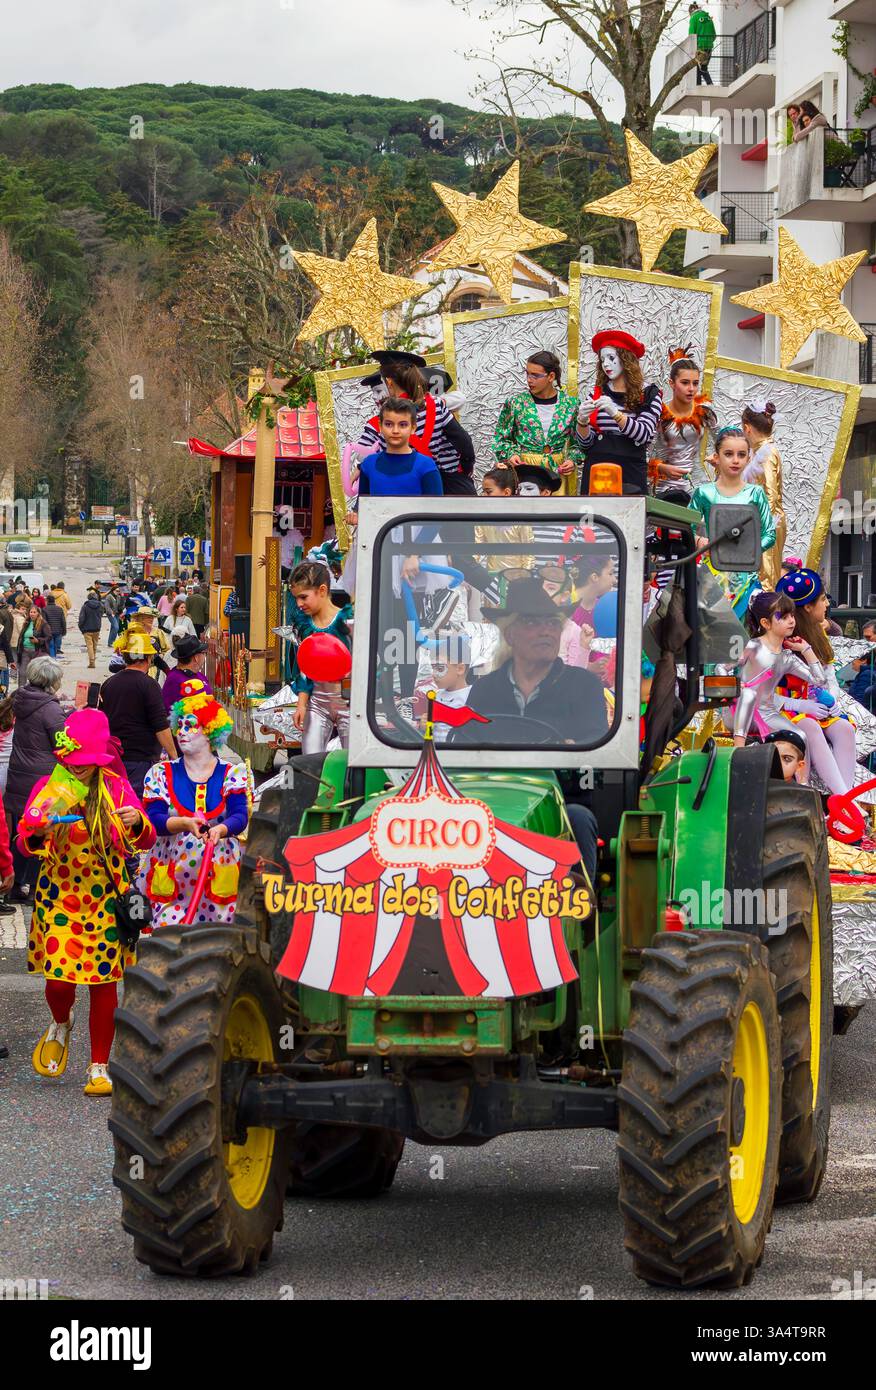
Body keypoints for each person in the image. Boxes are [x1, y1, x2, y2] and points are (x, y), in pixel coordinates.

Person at [21, 708, 155, 1097]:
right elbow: (24, 840)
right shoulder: (49, 786)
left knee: (104, 984)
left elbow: (145, 838)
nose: (77, 771)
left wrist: (137, 821)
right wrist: (37, 829)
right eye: (73, 763)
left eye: (85, 765)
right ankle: (61, 1021)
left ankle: (99, 1066)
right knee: (58, 981)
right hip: (59, 895)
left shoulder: (116, 787)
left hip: (104, 895)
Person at [468, 578, 607, 879]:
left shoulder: (584, 685)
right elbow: (464, 745)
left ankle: (581, 913)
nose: (546, 630)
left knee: (579, 818)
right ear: (510, 633)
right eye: (533, 622)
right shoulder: (484, 691)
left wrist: (573, 752)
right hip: (490, 799)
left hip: (562, 800)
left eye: (552, 623)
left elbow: (597, 751)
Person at [138, 679, 247, 927]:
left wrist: (220, 829)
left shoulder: (231, 773)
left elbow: (240, 816)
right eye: (180, 725)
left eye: (191, 725)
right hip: (172, 880)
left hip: (218, 879)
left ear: (210, 731)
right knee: (167, 942)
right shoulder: (160, 773)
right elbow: (154, 819)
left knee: (218, 942)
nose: (182, 731)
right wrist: (185, 823)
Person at [774, 567, 858, 792]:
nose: (827, 604)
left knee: (844, 728)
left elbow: (828, 677)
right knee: (809, 726)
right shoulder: (776, 641)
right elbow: (760, 692)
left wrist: (832, 701)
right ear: (808, 607)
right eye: (823, 599)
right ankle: (842, 798)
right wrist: (799, 704)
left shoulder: (819, 635)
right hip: (778, 708)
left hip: (814, 706)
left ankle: (844, 800)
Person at [354, 349, 476, 496]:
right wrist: (465, 470)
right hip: (453, 487)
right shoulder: (436, 405)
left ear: (389, 382)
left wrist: (360, 467)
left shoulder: (378, 424)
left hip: (409, 491)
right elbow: (464, 442)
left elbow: (364, 458)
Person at [690, 425, 775, 619]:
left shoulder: (755, 493)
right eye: (729, 454)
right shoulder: (704, 493)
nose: (735, 460)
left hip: (746, 578)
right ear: (717, 457)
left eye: (741, 454)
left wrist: (748, 550)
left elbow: (769, 533)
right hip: (712, 575)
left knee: (742, 634)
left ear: (749, 458)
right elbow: (686, 527)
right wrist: (700, 542)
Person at [4, 656, 66, 903]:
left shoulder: (20, 697)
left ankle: (16, 884)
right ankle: (34, 885)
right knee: (40, 830)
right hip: (41, 778)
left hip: (18, 772)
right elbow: (61, 743)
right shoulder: (50, 708)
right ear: (52, 681)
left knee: (19, 828)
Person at [574, 330, 663, 496]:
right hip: (597, 470)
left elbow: (643, 435)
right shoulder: (597, 393)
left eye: (611, 358)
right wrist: (582, 421)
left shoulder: (649, 394)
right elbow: (585, 444)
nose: (605, 364)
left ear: (626, 359)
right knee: (594, 520)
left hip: (629, 471)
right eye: (602, 360)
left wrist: (615, 413)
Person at [492, 350, 587, 497]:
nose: (529, 380)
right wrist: (511, 455)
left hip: (557, 476)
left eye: (535, 375)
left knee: (555, 516)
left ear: (551, 376)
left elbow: (578, 443)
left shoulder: (571, 405)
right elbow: (501, 439)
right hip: (525, 473)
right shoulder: (516, 404)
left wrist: (572, 460)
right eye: (527, 374)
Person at [99, 628, 177, 797]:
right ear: (148, 659)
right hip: (140, 761)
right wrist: (173, 755)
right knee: (137, 809)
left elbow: (102, 721)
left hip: (113, 759)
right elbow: (160, 725)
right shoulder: (149, 685)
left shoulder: (109, 683)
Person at [288, 560, 353, 754]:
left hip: (349, 702)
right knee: (310, 761)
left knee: (353, 763)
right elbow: (305, 670)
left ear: (322, 590)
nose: (299, 604)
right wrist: (301, 704)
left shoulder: (348, 621)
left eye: (303, 597)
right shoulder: (304, 626)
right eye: (296, 598)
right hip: (317, 703)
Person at [649, 349, 716, 504]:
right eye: (685, 383)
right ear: (672, 383)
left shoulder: (704, 411)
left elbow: (725, 437)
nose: (691, 389)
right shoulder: (659, 414)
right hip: (664, 489)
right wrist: (660, 467)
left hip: (696, 485)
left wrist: (721, 456)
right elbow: (643, 454)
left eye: (695, 383)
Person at [351, 398, 444, 508]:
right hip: (378, 525)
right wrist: (355, 515)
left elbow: (437, 513)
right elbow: (362, 508)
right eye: (389, 424)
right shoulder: (369, 464)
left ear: (413, 428)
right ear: (380, 426)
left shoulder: (426, 466)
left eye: (403, 425)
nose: (395, 431)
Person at [741, 399, 785, 591]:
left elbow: (770, 495)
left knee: (766, 580)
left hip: (766, 524)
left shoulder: (766, 453)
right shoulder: (760, 452)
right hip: (761, 523)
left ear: (747, 428)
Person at [161, 635, 212, 714]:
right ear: (196, 658)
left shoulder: (200, 675)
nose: (204, 656)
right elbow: (168, 712)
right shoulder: (174, 680)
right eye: (203, 653)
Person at [17, 603, 52, 683]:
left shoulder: (43, 624)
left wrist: (38, 640)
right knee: (22, 673)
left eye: (34, 612)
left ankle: (35, 691)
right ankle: (22, 691)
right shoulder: (26, 623)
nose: (32, 614)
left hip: (37, 651)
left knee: (36, 674)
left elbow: (49, 637)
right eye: (31, 612)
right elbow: (22, 636)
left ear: (38, 613)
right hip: (25, 651)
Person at [688, 2, 715, 85]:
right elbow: (714, 34)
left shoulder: (694, 17)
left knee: (697, 67)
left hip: (700, 46)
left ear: (691, 10)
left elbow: (691, 35)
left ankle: (700, 85)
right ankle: (710, 84)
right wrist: (709, 42)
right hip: (709, 46)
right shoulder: (708, 17)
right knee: (703, 68)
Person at [78, 588, 103, 669]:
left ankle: (91, 662)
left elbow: (81, 618)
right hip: (97, 628)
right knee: (95, 645)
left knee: (89, 646)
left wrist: (81, 627)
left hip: (87, 629)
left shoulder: (85, 606)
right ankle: (93, 661)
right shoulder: (100, 605)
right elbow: (101, 614)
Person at [43, 593, 66, 658]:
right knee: (56, 647)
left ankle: (53, 659)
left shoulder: (44, 609)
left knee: (51, 646)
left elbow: (44, 621)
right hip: (58, 631)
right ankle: (55, 659)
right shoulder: (59, 609)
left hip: (49, 631)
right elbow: (63, 621)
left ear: (47, 601)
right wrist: (64, 631)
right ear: (54, 601)